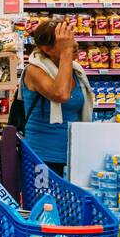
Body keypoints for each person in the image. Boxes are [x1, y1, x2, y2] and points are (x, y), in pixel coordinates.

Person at [21, 17, 93, 176]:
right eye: (64, 41)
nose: (74, 45)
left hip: (73, 154)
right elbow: (60, 94)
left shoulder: (76, 70)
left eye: (72, 38)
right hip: (42, 158)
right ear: (47, 49)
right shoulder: (34, 71)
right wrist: (66, 52)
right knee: (45, 200)